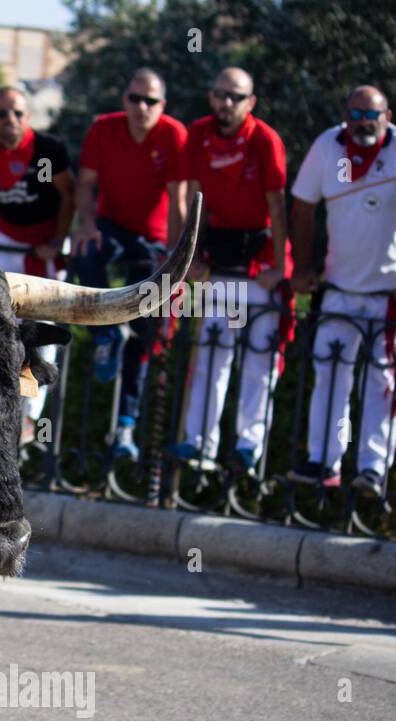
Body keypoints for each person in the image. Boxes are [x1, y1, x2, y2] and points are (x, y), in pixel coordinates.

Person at [172, 67, 292, 473]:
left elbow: (278, 207)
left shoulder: (265, 139)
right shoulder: (199, 134)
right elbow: (189, 197)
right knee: (210, 353)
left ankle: (248, 446)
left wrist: (278, 266)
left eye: (235, 96)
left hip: (257, 259)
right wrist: (190, 256)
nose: (227, 103)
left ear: (250, 102)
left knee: (259, 358)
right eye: (221, 94)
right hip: (219, 256)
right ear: (210, 97)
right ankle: (198, 444)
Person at [73, 68, 188, 462]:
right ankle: (104, 337)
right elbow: (85, 183)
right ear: (124, 100)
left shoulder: (174, 135)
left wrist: (175, 260)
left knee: (144, 331)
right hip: (110, 226)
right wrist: (86, 224)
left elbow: (179, 201)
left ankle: (126, 424)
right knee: (85, 254)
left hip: (152, 240)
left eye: (150, 101)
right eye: (135, 98)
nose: (142, 107)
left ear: (163, 105)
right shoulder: (103, 129)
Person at [288, 85, 396, 497]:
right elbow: (302, 206)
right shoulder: (327, 148)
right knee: (330, 375)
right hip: (338, 288)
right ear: (344, 115)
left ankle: (372, 467)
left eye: (372, 114)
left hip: (387, 293)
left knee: (381, 381)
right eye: (355, 115)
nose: (363, 122)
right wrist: (303, 267)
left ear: (387, 115)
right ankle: (323, 460)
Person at [0, 85, 74, 441]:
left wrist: (56, 241)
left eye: (18, 113)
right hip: (5, 236)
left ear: (28, 117)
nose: (11, 120)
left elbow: (67, 195)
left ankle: (30, 413)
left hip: (45, 241)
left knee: (43, 323)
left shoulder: (47, 150)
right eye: (3, 113)